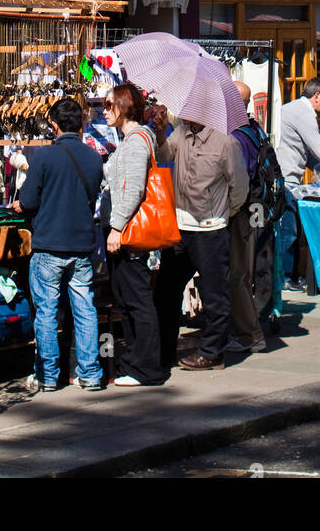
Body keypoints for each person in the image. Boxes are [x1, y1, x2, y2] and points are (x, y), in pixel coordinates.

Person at [15, 96, 105, 392]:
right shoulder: (94, 158)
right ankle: (90, 373)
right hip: (81, 246)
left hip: (49, 245)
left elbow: (28, 201)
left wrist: (20, 206)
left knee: (47, 312)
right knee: (85, 309)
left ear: (53, 125)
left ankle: (48, 376)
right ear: (80, 125)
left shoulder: (44, 157)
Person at [152, 103, 249, 371]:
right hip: (180, 226)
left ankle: (212, 352)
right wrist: (160, 133)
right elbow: (164, 154)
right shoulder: (180, 134)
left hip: (210, 229)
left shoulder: (225, 142)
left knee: (215, 294)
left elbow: (239, 187)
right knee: (166, 292)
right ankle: (164, 349)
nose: (182, 111)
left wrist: (224, 213)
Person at [102, 83, 167, 386]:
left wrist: (116, 227)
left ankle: (147, 368)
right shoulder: (131, 139)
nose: (104, 111)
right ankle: (135, 364)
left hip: (130, 235)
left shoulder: (137, 140)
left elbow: (133, 190)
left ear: (124, 106)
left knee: (138, 300)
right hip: (125, 234)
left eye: (108, 105)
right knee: (128, 300)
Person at [276, 78, 320, 292]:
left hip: (287, 176)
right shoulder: (303, 112)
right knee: (288, 231)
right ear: (316, 96)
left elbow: (305, 152)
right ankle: (285, 278)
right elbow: (319, 150)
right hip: (285, 179)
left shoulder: (294, 109)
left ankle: (290, 275)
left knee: (290, 230)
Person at [227, 81, 269, 353]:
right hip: (257, 207)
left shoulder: (237, 136)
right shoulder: (254, 129)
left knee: (238, 274)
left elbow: (237, 178)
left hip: (243, 210)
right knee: (250, 270)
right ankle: (251, 325)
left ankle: (250, 334)